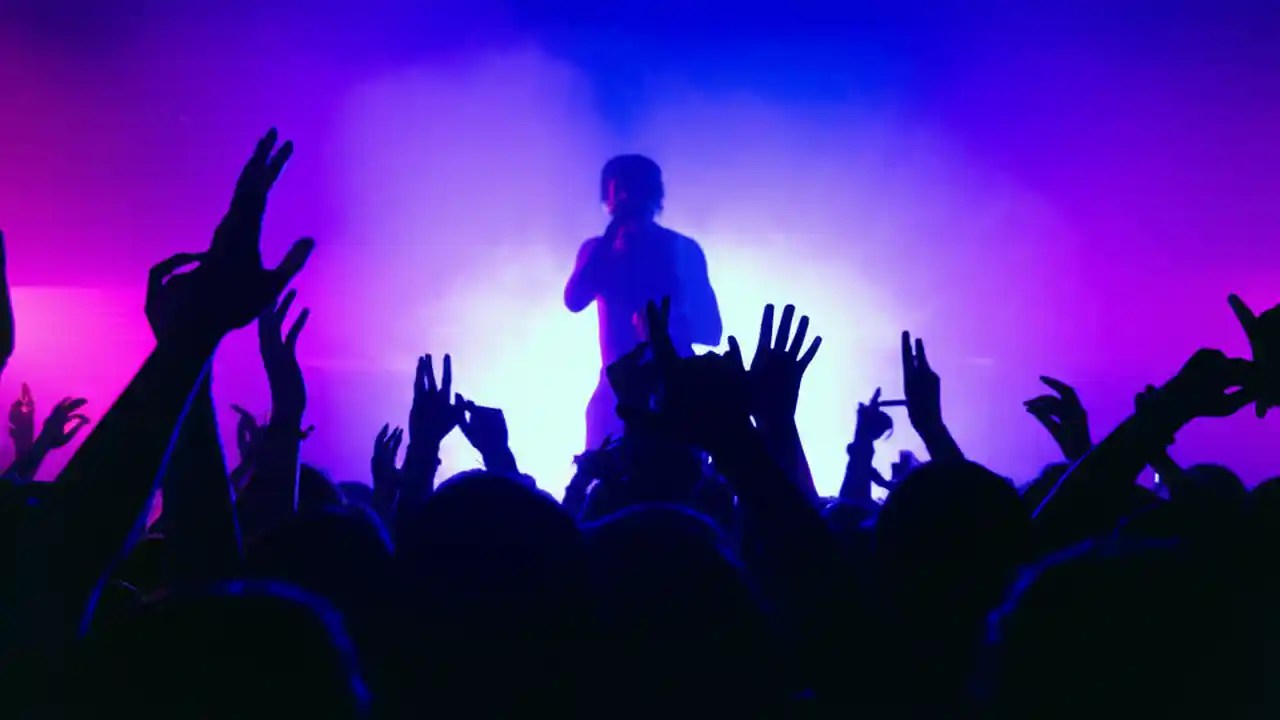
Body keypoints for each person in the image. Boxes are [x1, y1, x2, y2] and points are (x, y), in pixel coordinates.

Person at [564, 155, 722, 448]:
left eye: (633, 189)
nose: (625, 198)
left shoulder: (681, 249)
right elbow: (574, 300)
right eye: (619, 191)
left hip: (675, 392)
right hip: (617, 395)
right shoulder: (598, 250)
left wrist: (666, 324)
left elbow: (711, 331)